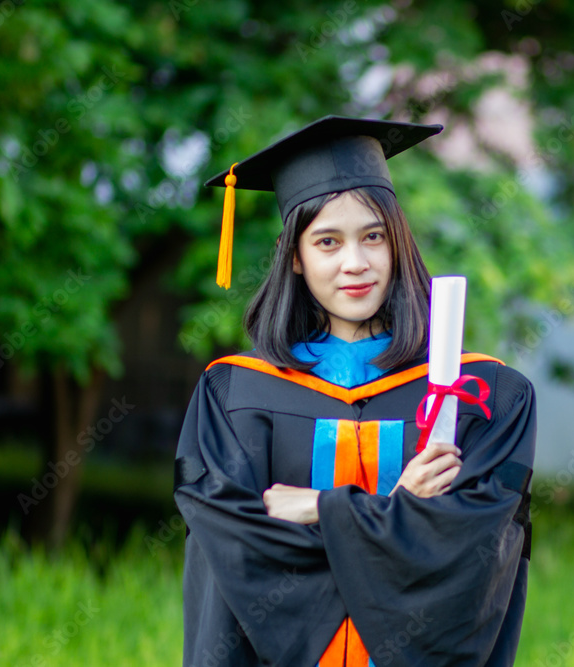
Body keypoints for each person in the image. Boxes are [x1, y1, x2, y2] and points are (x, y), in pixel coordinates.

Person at [173, 116, 536, 667]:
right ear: (295, 256)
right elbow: (234, 557)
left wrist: (319, 508)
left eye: (374, 236)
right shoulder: (234, 396)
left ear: (397, 244)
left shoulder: (483, 397)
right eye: (328, 242)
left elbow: (475, 553)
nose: (355, 263)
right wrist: (399, 517)